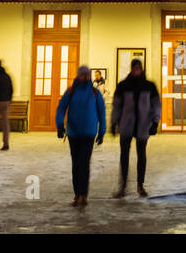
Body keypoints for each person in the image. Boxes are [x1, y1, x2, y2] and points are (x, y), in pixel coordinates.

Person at [55, 64, 105, 207]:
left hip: (88, 134)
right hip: (74, 134)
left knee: (84, 164)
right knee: (76, 164)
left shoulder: (95, 93)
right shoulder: (70, 92)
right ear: (78, 75)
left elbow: (101, 113)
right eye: (82, 74)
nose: (85, 77)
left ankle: (83, 195)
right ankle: (77, 194)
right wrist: (60, 125)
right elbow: (61, 108)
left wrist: (102, 131)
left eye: (86, 75)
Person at [110, 57, 161, 198]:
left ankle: (140, 186)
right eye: (134, 68)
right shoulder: (123, 86)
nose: (136, 70)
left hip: (143, 126)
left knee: (141, 156)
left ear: (142, 68)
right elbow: (117, 106)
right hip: (127, 125)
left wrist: (155, 122)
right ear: (131, 69)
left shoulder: (149, 86)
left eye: (138, 68)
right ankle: (123, 187)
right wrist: (114, 122)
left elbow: (156, 105)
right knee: (124, 156)